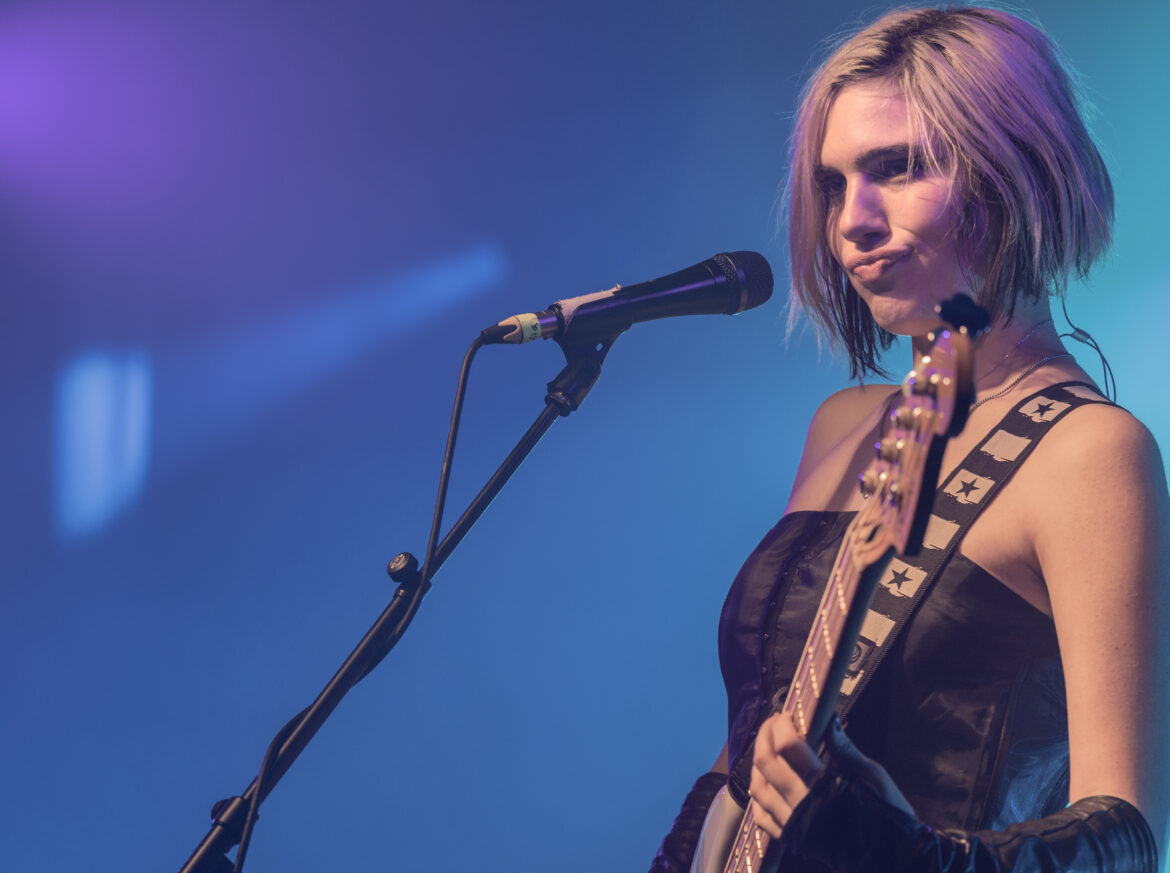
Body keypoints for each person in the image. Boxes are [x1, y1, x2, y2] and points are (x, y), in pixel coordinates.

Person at [650, 6, 1168, 873]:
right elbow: (747, 750)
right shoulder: (846, 428)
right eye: (832, 182)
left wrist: (909, 854)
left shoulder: (1090, 456)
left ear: (1014, 174)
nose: (851, 219)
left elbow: (1128, 840)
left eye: (897, 169)